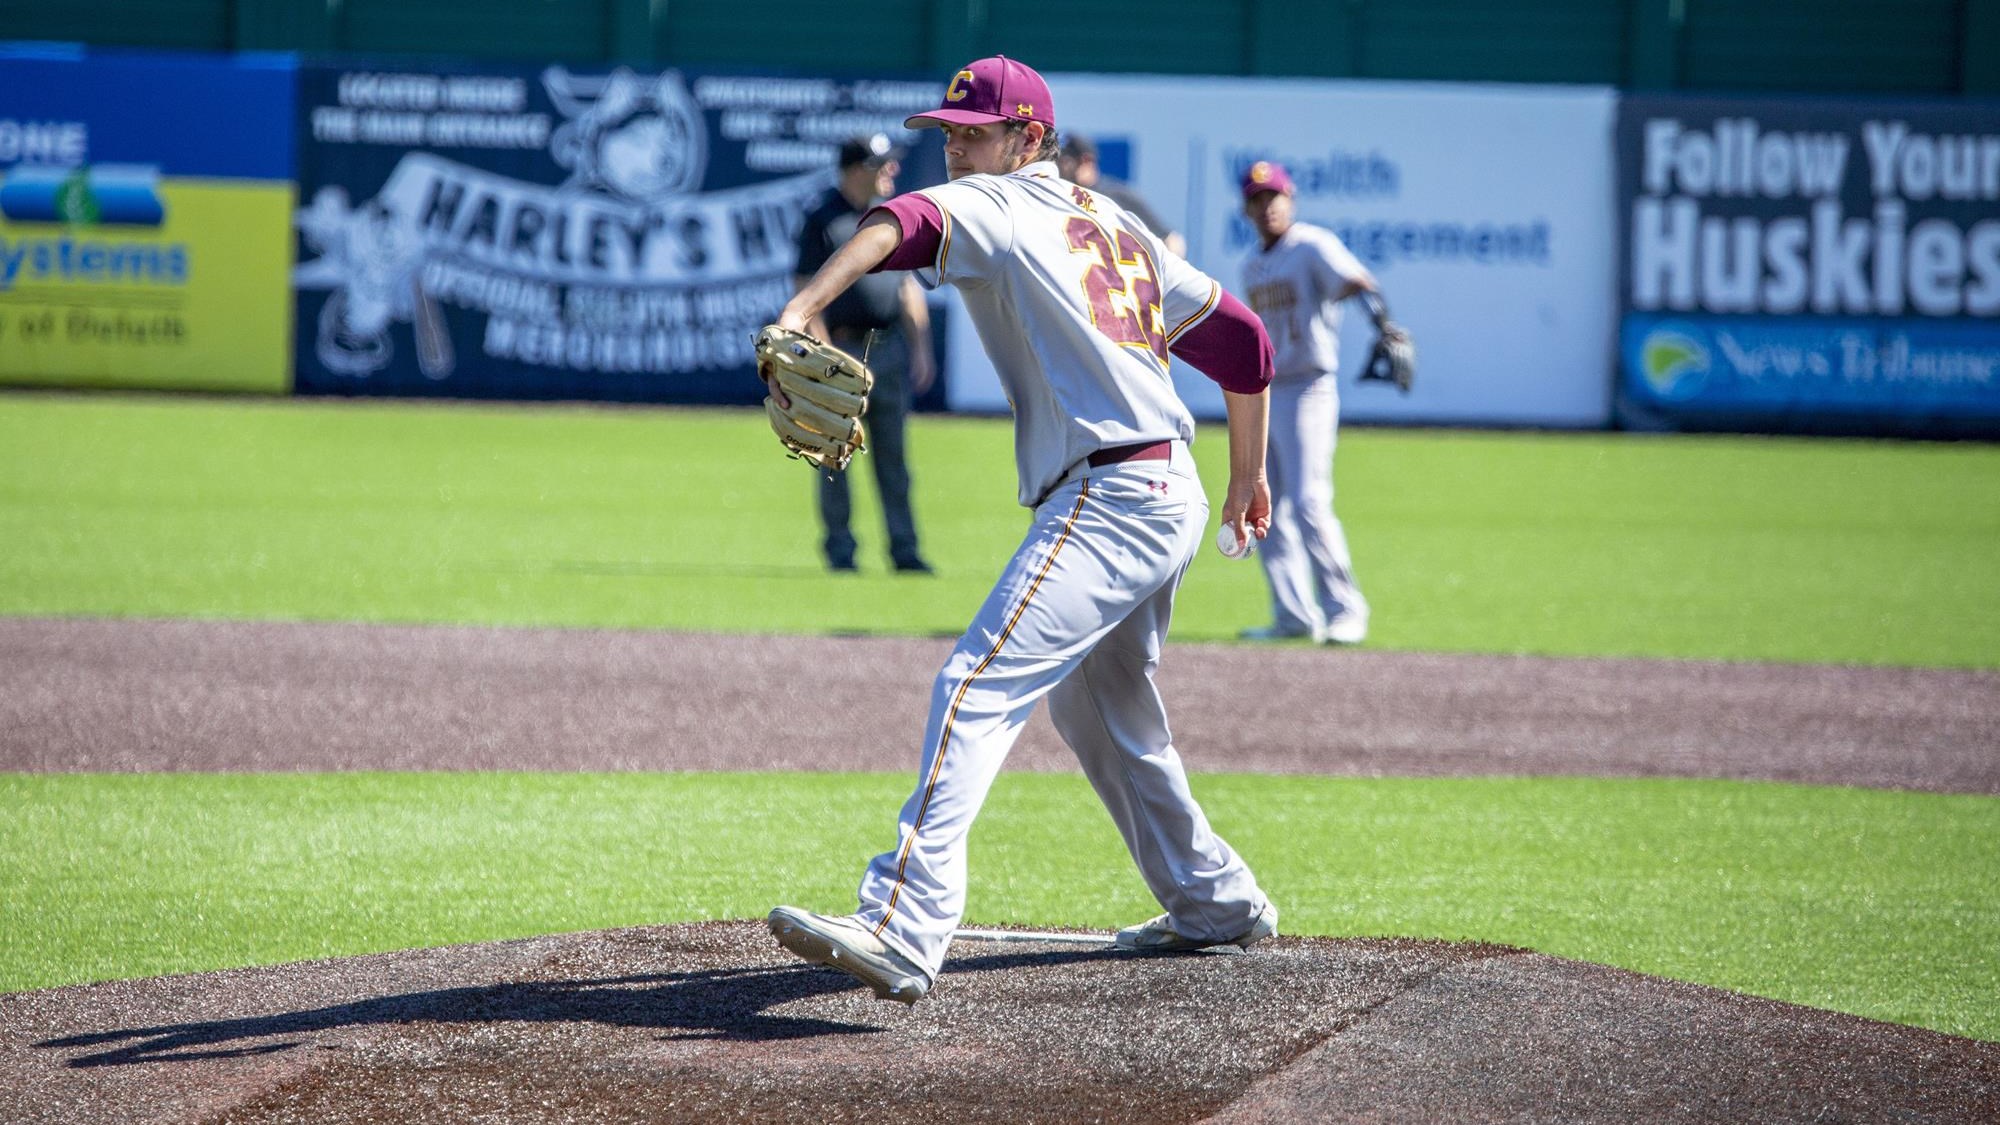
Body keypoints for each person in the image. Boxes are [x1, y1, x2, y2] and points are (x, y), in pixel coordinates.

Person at [764, 56, 1281, 1004]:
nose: (955, 150)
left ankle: (902, 920)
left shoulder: (999, 202)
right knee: (1101, 711)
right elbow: (1244, 342)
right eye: (948, 134)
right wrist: (1247, 474)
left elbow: (896, 222)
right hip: (1167, 486)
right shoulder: (1118, 225)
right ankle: (1214, 899)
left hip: (1110, 493)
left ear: (1028, 139)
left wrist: (801, 308)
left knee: (974, 683)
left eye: (974, 133)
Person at [1236, 160, 1378, 645]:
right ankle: (1293, 614)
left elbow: (1356, 280)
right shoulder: (1251, 265)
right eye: (1257, 200)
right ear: (1246, 209)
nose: (1267, 207)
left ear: (1290, 199)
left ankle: (1346, 610)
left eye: (1273, 197)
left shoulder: (1312, 244)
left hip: (1310, 386)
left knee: (1310, 502)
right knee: (1262, 507)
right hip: (1269, 390)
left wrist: (1381, 322)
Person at [793, 133, 938, 573]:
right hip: (841, 348)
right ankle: (841, 550)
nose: (891, 170)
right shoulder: (823, 218)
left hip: (888, 347)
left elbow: (907, 286)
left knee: (894, 460)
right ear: (856, 170)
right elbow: (804, 291)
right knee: (834, 458)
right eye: (881, 164)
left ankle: (905, 550)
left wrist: (921, 347)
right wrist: (823, 355)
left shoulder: (889, 218)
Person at [1057, 133, 1187, 258]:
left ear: (1085, 160)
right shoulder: (1060, 194)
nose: (1059, 167)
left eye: (1064, 161)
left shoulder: (1116, 196)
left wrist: (1163, 271)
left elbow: (1172, 240)